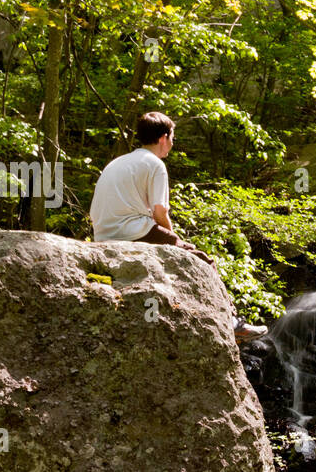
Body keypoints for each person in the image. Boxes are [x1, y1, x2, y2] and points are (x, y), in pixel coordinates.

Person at [90, 112, 265, 340]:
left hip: (102, 234)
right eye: (172, 138)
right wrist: (176, 241)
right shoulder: (155, 164)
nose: (172, 144)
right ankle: (231, 320)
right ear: (163, 138)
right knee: (202, 259)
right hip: (131, 230)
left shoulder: (118, 162)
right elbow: (159, 212)